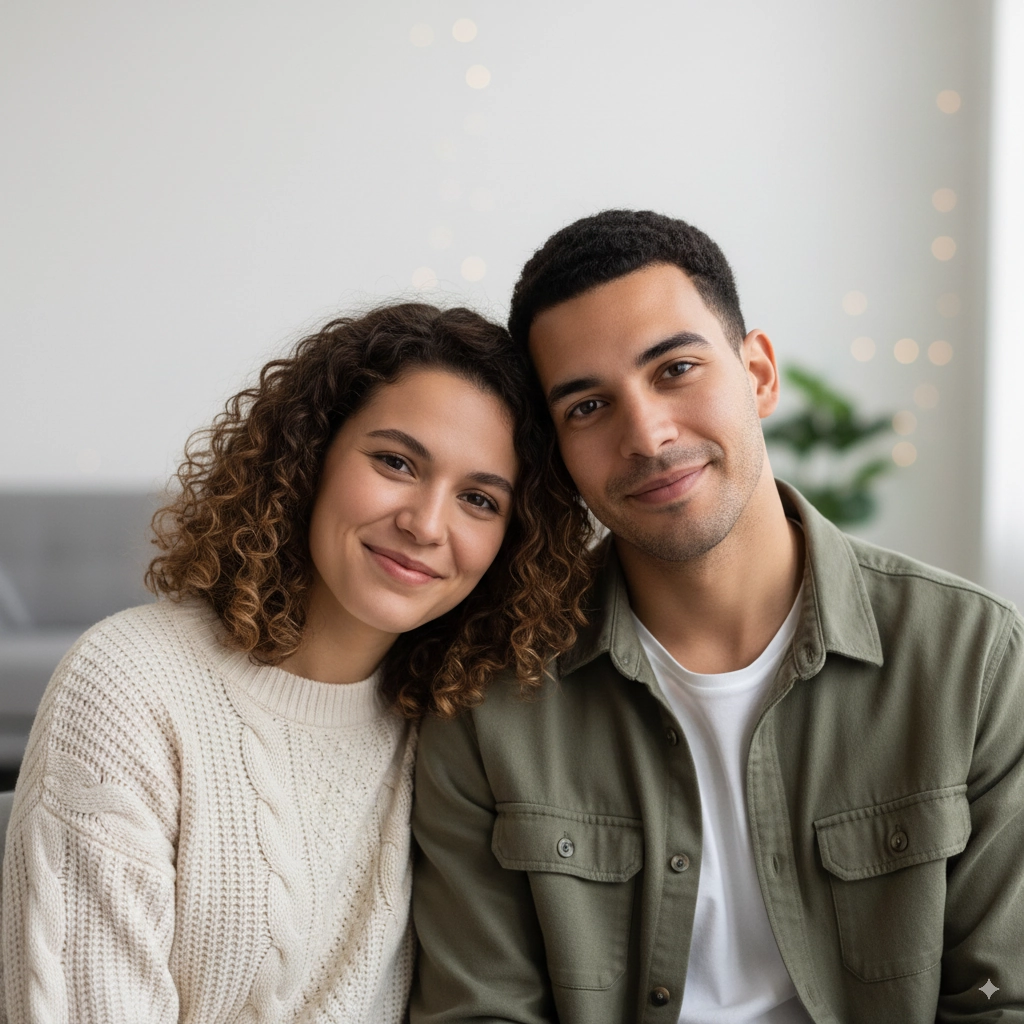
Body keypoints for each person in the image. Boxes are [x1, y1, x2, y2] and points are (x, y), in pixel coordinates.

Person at [411, 211, 1024, 1023]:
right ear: (556, 452)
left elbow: (999, 1002)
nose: (648, 434)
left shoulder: (971, 657)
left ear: (759, 374)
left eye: (676, 369)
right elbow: (480, 1011)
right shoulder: (492, 693)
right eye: (588, 407)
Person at [0, 302, 593, 1023]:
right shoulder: (130, 684)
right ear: (309, 454)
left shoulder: (455, 727)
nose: (426, 525)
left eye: (478, 499)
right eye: (396, 462)